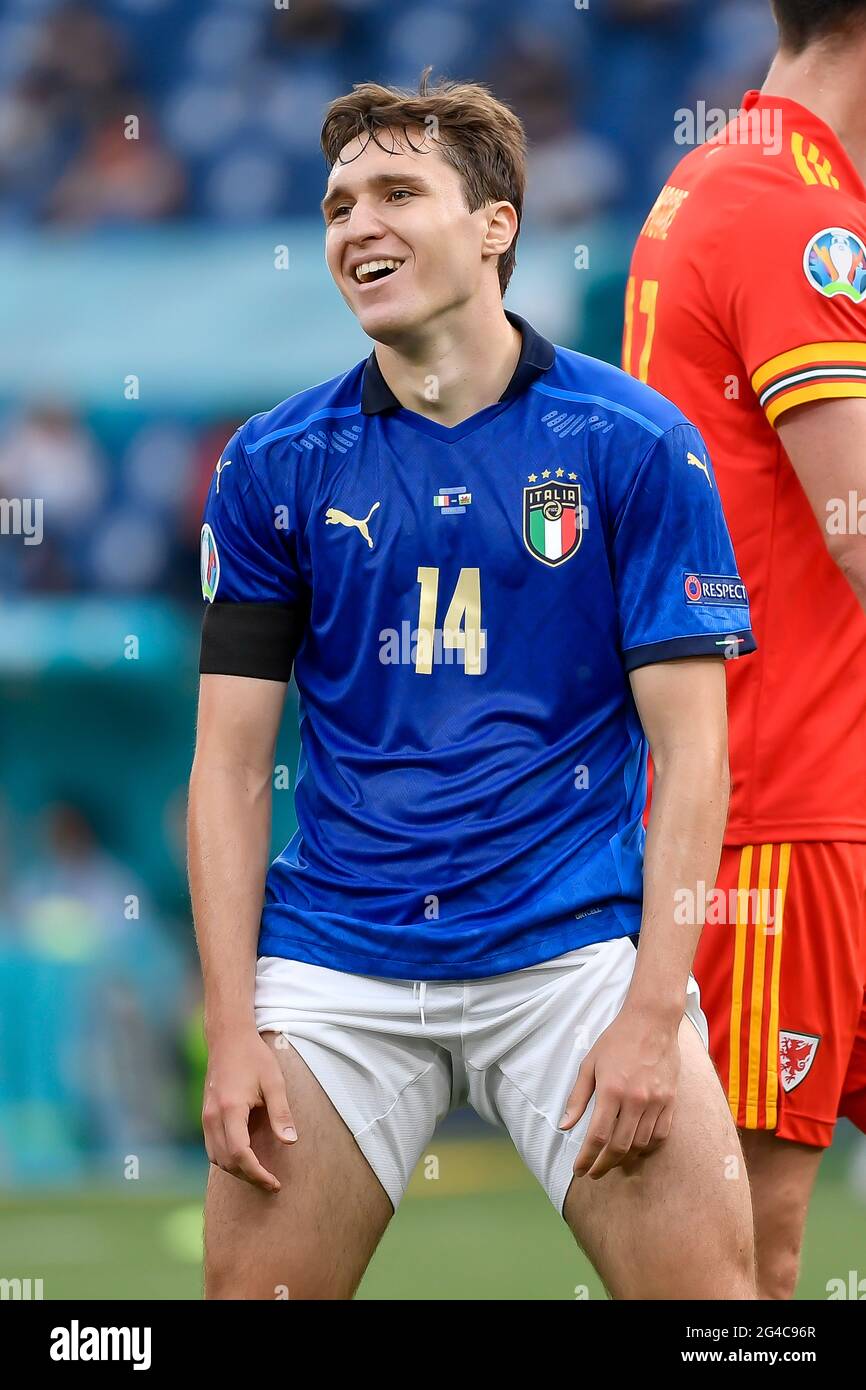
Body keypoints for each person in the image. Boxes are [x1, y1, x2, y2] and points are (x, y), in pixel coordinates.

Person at [189, 72, 757, 1300]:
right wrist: (232, 1029)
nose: (357, 227)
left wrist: (654, 1012)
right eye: (338, 205)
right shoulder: (271, 463)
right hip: (339, 961)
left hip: (572, 954)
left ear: (496, 224)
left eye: (398, 191)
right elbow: (230, 769)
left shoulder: (633, 444)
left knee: (720, 1321)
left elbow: (695, 757)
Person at [623, 0, 866, 1300]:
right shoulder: (794, 214)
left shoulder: (721, 179)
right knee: (747, 1264)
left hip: (822, 790)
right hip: (779, 807)